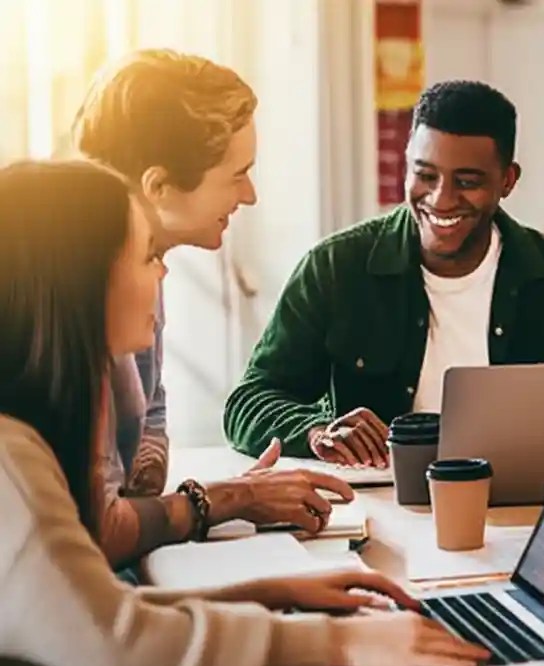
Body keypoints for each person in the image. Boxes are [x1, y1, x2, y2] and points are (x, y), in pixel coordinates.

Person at [0, 160, 488, 666]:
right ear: (82, 281)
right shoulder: (9, 463)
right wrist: (339, 643)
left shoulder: (21, 441)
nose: (163, 277)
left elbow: (91, 615)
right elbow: (125, 651)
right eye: (148, 257)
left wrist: (270, 593)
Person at [73, 49, 357, 569]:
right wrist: (226, 500)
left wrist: (212, 501)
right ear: (158, 186)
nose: (249, 195)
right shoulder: (77, 298)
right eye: (236, 175)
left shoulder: (144, 273)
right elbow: (95, 527)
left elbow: (145, 437)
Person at [223, 80, 544, 466]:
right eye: (425, 175)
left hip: (516, 502)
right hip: (377, 503)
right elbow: (248, 404)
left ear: (507, 180)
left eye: (467, 182)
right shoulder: (337, 267)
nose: (441, 199)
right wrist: (319, 431)